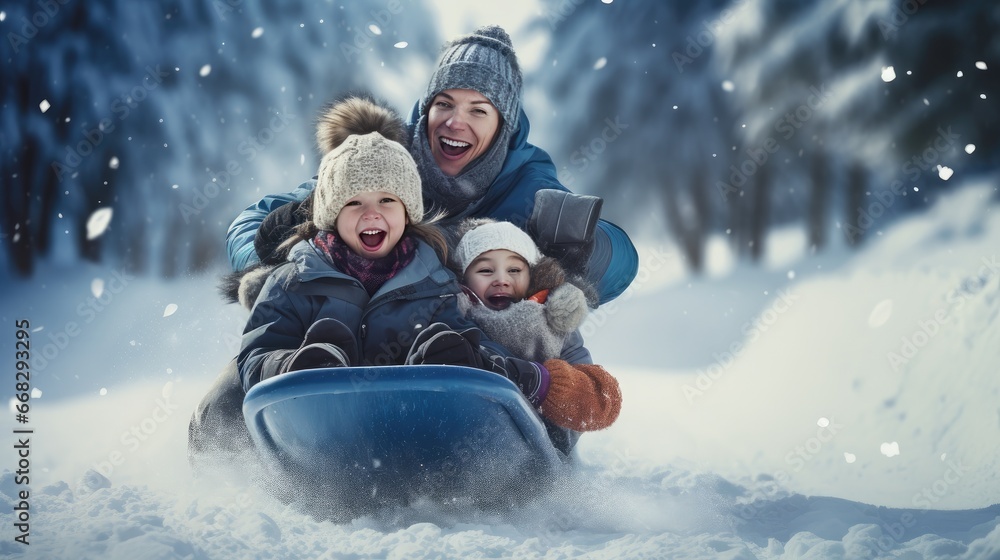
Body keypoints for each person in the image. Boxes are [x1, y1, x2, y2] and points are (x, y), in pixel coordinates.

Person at [226, 25, 638, 308]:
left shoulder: (526, 184)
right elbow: (253, 219)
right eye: (444, 104)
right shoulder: (380, 157)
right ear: (426, 110)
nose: (455, 122)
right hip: (359, 333)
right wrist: (269, 252)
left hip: (475, 346)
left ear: (502, 126)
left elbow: (623, 262)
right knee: (234, 389)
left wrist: (587, 249)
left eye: (478, 110)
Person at [447, 218, 622, 433]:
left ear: (532, 277)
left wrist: (548, 384)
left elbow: (601, 403)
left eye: (514, 270)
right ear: (464, 278)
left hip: (540, 439)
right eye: (485, 270)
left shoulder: (553, 323)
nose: (501, 279)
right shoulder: (453, 317)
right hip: (464, 430)